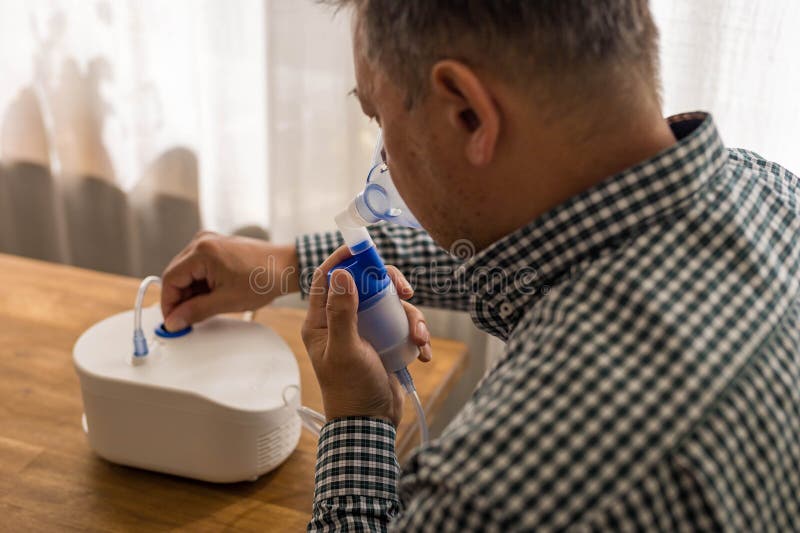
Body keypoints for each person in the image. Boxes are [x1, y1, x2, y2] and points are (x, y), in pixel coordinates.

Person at [161, 1, 800, 531]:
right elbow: (527, 255)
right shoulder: (770, 190)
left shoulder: (509, 482)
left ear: (468, 114)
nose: (383, 153)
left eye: (380, 117)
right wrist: (283, 266)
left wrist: (359, 422)